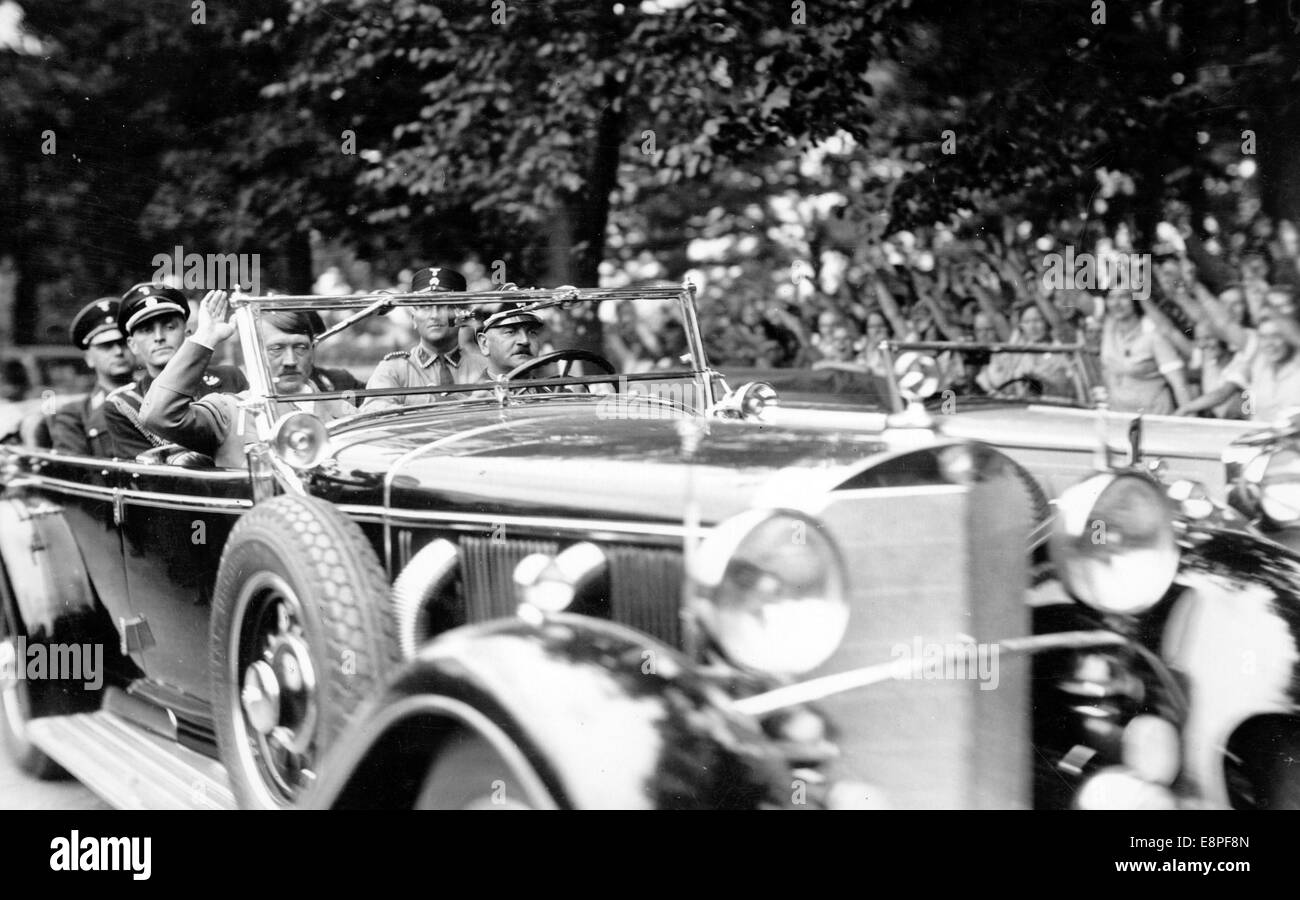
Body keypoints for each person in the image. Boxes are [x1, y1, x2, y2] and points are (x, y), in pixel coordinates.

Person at [140, 292, 353, 468]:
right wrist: (206, 337)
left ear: (313, 350)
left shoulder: (344, 411)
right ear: (255, 354)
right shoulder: (231, 411)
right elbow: (158, 415)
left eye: (300, 348)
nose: (290, 361)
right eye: (276, 349)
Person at [104, 282, 247, 459]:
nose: (159, 337)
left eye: (170, 327)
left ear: (187, 332)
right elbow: (148, 475)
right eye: (146, 330)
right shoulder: (124, 404)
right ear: (132, 345)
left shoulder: (229, 377)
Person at [361, 267, 485, 412]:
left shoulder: (484, 367)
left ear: (464, 315)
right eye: (425, 306)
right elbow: (375, 411)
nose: (434, 315)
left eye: (443, 305)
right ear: (413, 318)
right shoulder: (393, 370)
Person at [49, 297, 136, 456]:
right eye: (106, 346)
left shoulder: (155, 396)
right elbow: (74, 470)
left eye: (122, 342)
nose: (118, 352)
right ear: (89, 358)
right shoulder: (75, 415)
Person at [1177, 313, 1300, 421]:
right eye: (1264, 337)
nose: (1269, 343)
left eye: (1276, 336)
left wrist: (1187, 408)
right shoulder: (1255, 365)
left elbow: (1222, 394)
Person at [1098, 287, 1190, 414]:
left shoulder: (1153, 335)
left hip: (1154, 416)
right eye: (1111, 298)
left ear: (1136, 301)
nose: (1116, 303)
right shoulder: (1109, 329)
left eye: (1124, 297)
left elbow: (1179, 384)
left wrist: (1189, 421)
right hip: (1119, 416)